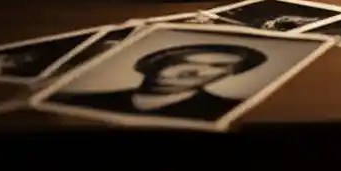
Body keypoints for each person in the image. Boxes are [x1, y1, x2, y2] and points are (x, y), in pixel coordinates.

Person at [52, 43, 266, 120]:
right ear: (154, 64)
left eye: (217, 67)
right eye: (183, 62)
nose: (193, 72)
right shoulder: (76, 101)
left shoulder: (228, 109)